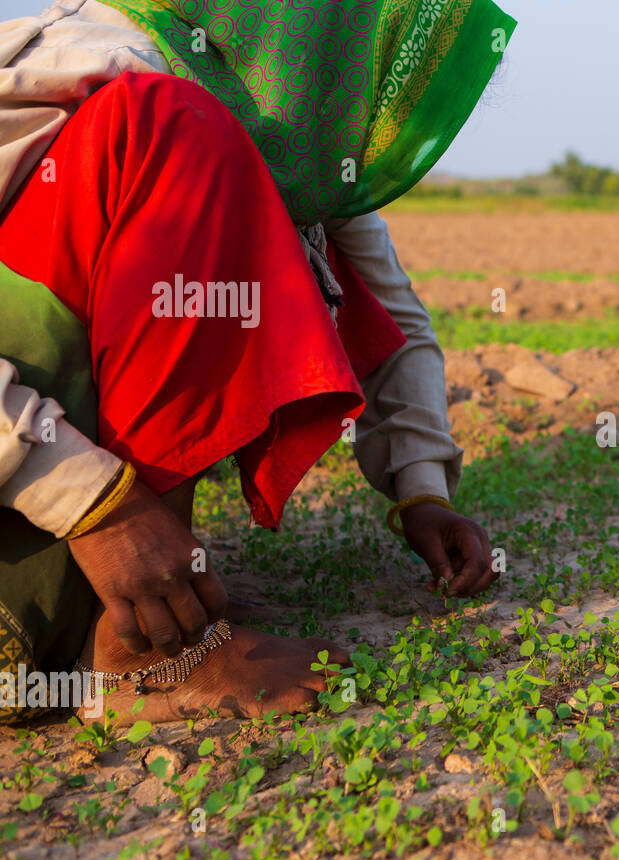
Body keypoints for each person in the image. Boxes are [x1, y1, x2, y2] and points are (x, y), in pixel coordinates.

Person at [0, 0, 514, 723]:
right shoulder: (88, 66)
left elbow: (391, 315)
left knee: (261, 203)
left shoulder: (276, 138)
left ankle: (133, 615)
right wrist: (96, 510)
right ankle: (148, 656)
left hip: (46, 566)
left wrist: (422, 489)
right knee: (171, 127)